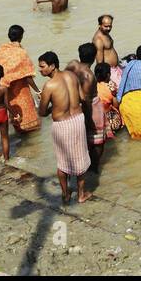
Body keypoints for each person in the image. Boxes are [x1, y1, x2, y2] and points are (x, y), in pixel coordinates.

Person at [38, 51, 91, 204]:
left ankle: (66, 194)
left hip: (62, 124)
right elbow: (82, 98)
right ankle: (81, 194)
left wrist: (49, 105)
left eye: (42, 67)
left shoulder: (49, 85)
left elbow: (42, 112)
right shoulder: (72, 75)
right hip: (78, 120)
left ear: (52, 66)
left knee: (62, 162)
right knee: (80, 157)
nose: (40, 70)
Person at [0, 25, 40, 133]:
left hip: (8, 94)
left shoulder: (1, 50)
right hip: (22, 92)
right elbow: (28, 76)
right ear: (21, 36)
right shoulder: (21, 53)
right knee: (31, 126)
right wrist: (37, 90)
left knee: (15, 119)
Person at [68, 43, 103, 171]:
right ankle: (94, 168)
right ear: (94, 57)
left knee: (81, 138)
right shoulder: (89, 76)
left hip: (72, 105)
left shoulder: (73, 65)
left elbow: (64, 79)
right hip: (91, 107)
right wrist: (89, 120)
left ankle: (83, 165)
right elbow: (86, 100)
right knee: (98, 140)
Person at [94, 62, 122, 138]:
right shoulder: (111, 87)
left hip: (96, 119)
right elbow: (116, 105)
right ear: (108, 75)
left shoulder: (93, 86)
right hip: (109, 120)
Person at [93, 14, 120, 87]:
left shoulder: (105, 33)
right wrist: (107, 79)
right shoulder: (99, 40)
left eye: (110, 26)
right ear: (100, 25)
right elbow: (99, 63)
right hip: (109, 73)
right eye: (106, 26)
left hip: (115, 69)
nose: (108, 28)